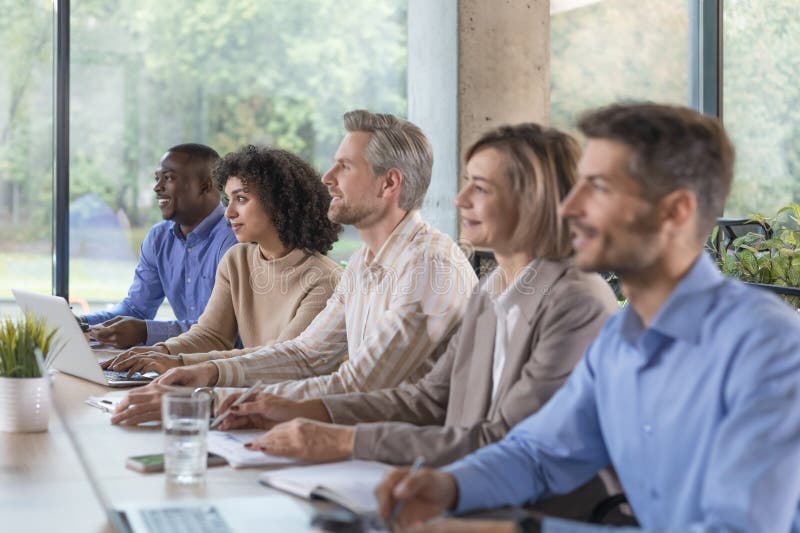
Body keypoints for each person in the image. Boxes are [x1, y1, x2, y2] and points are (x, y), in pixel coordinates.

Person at [376, 103, 800, 533]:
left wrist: (521, 531)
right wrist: (449, 486)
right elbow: (538, 453)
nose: (568, 207)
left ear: (675, 212)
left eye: (597, 188)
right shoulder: (619, 340)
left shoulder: (767, 347)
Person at [212, 123, 620, 520]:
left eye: (479, 188)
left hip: (534, 516)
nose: (460, 200)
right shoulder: (494, 288)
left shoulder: (575, 301)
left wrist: (343, 438)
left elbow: (506, 441)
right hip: (460, 499)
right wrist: (297, 408)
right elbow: (428, 398)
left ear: (533, 200)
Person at [110, 110, 478, 425]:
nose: (327, 177)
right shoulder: (364, 264)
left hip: (409, 467)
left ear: (389, 182)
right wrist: (208, 372)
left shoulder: (428, 267)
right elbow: (306, 354)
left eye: (345, 166)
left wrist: (206, 401)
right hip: (365, 446)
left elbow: (356, 386)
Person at [101, 145, 343, 376]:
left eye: (241, 199)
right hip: (250, 394)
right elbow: (211, 335)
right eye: (228, 200)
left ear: (278, 203)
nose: (228, 213)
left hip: (294, 405)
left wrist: (178, 362)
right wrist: (159, 352)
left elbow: (280, 359)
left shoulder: (325, 279)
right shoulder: (237, 259)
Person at [83, 143, 237, 348]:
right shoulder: (159, 238)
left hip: (226, 369)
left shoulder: (235, 239)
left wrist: (145, 331)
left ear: (206, 185)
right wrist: (80, 324)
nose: (157, 187)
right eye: (158, 178)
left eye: (170, 178)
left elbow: (224, 333)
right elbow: (136, 309)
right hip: (179, 362)